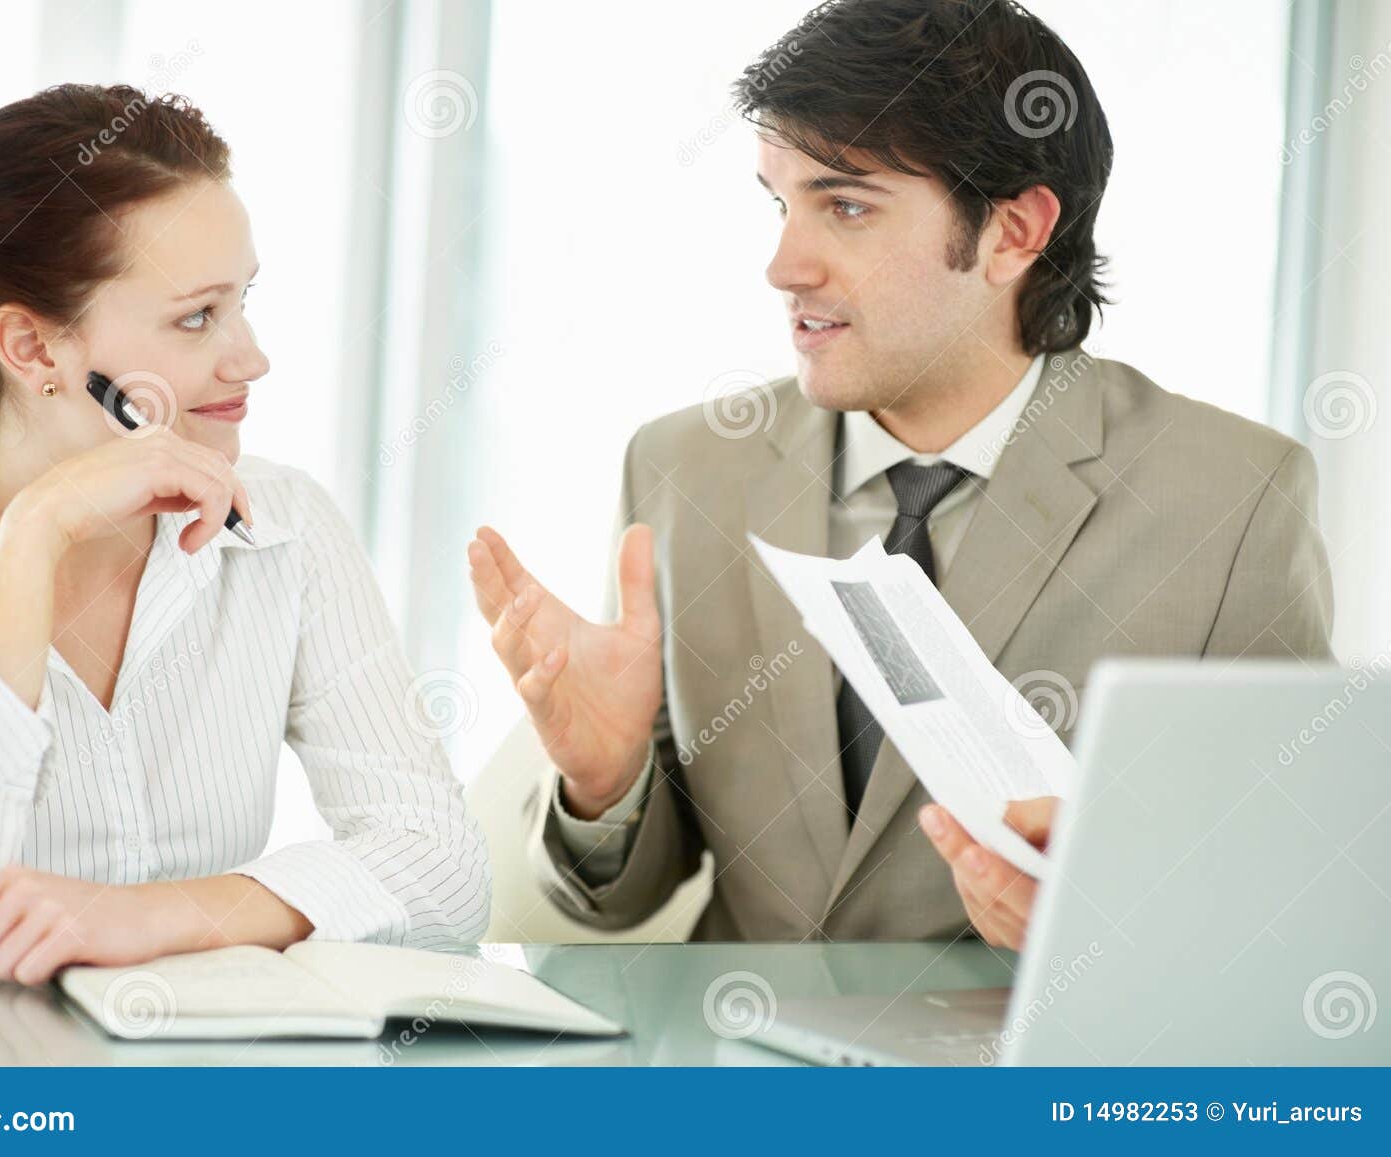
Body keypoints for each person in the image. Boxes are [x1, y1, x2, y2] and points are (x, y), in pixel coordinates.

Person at [468, 0, 1332, 948]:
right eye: (780, 203)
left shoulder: (1232, 503)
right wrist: (605, 783)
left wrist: (1106, 928)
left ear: (1013, 232)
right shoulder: (684, 468)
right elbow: (623, 898)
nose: (784, 266)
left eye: (846, 205)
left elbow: (1293, 896)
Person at [0, 84, 490, 986]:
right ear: (34, 349)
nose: (252, 357)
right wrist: (35, 536)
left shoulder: (283, 527)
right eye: (197, 316)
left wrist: (156, 916)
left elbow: (443, 866)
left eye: (242, 301)